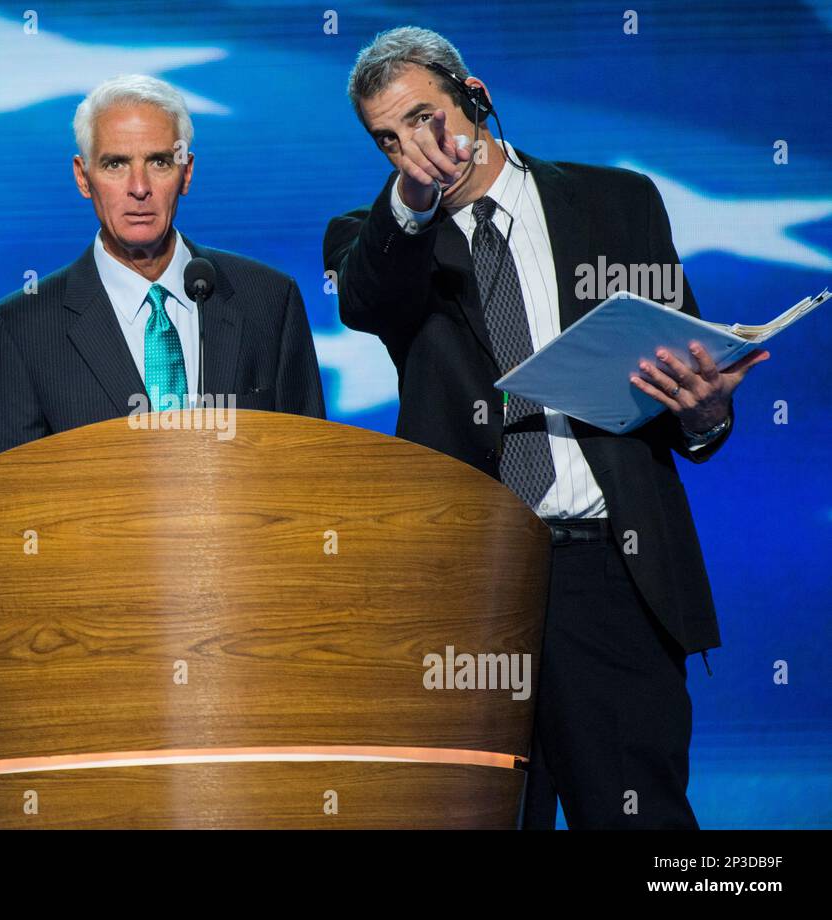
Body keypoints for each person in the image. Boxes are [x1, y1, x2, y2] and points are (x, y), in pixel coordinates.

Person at [323, 27, 769, 829]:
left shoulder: (617, 203)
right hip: (472, 593)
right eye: (388, 139)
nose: (413, 148)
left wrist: (705, 414)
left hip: (608, 573)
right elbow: (365, 298)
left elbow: (681, 379)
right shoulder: (380, 239)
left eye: (423, 119)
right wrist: (412, 202)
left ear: (476, 96)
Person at [0, 74, 325, 462]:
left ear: (186, 172)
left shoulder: (270, 299)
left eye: (159, 162)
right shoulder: (21, 329)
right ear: (83, 177)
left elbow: (311, 468)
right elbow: (6, 493)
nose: (139, 187)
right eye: (115, 164)